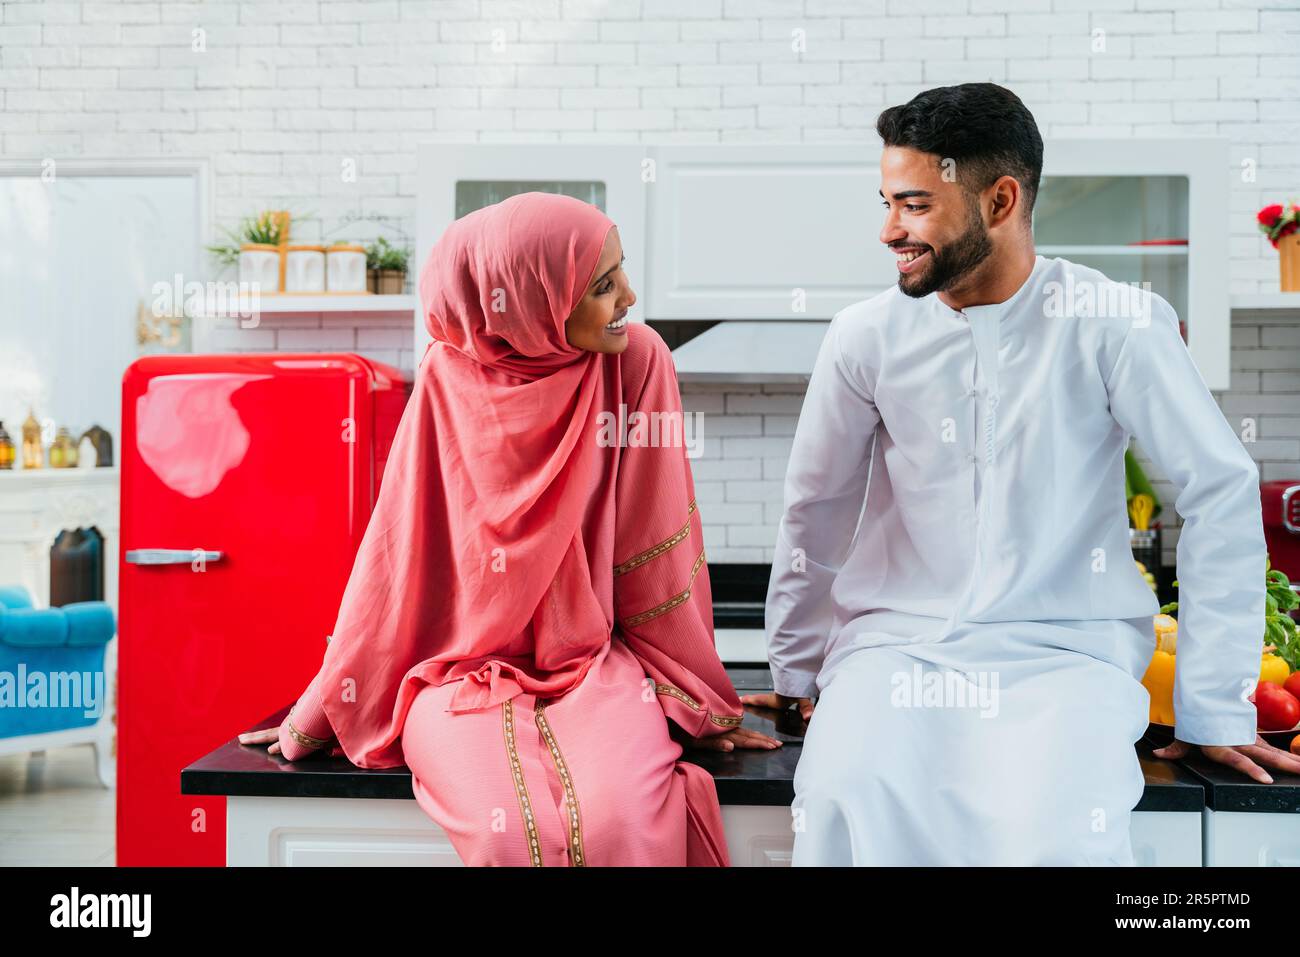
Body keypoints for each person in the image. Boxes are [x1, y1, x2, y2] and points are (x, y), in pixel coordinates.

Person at [743, 83, 1299, 866]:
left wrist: (1215, 705)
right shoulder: (862, 336)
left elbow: (1219, 487)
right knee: (842, 797)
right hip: (894, 647)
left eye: (914, 205)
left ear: (1000, 200)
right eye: (887, 202)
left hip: (1067, 653)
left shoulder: (1116, 324)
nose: (889, 230)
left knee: (1051, 836)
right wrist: (796, 661)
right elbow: (817, 505)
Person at [240, 191, 780, 866]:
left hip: (595, 671)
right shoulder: (446, 375)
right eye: (604, 285)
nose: (631, 298)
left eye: (622, 275)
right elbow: (399, 552)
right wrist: (326, 700)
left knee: (621, 821)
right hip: (456, 675)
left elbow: (654, 545)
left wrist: (695, 697)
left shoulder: (636, 362)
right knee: (507, 832)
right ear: (531, 299)